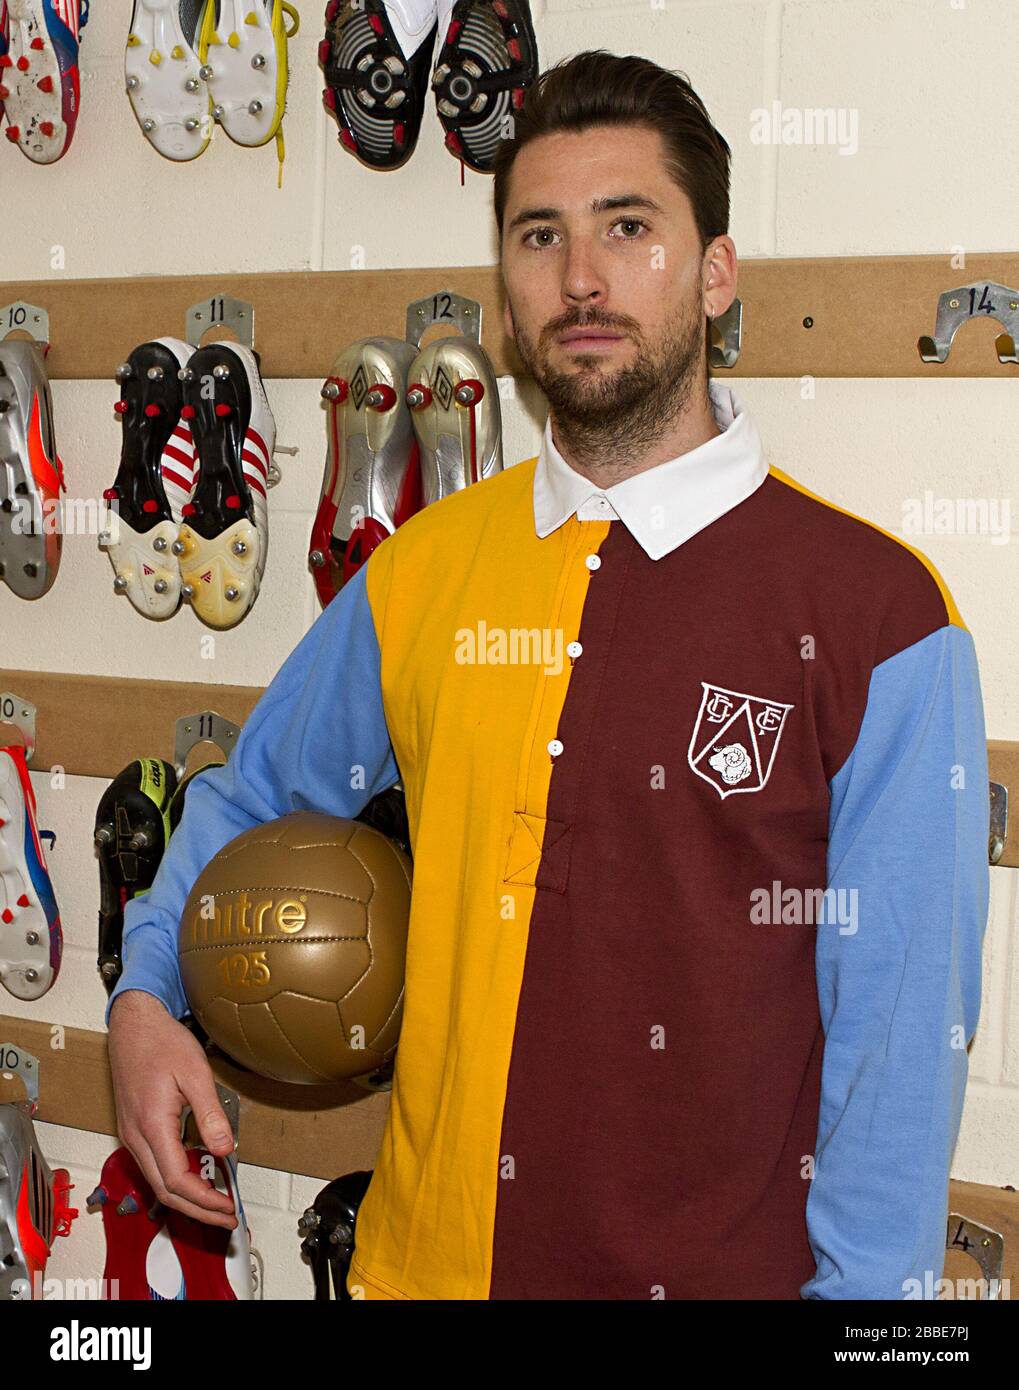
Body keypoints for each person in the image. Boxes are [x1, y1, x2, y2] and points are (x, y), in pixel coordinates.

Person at [107, 48, 990, 1300]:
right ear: (507, 291)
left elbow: (898, 1066)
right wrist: (146, 998)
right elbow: (251, 798)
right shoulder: (421, 575)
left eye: (627, 226)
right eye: (539, 236)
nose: (580, 276)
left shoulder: (879, 617)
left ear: (716, 272)